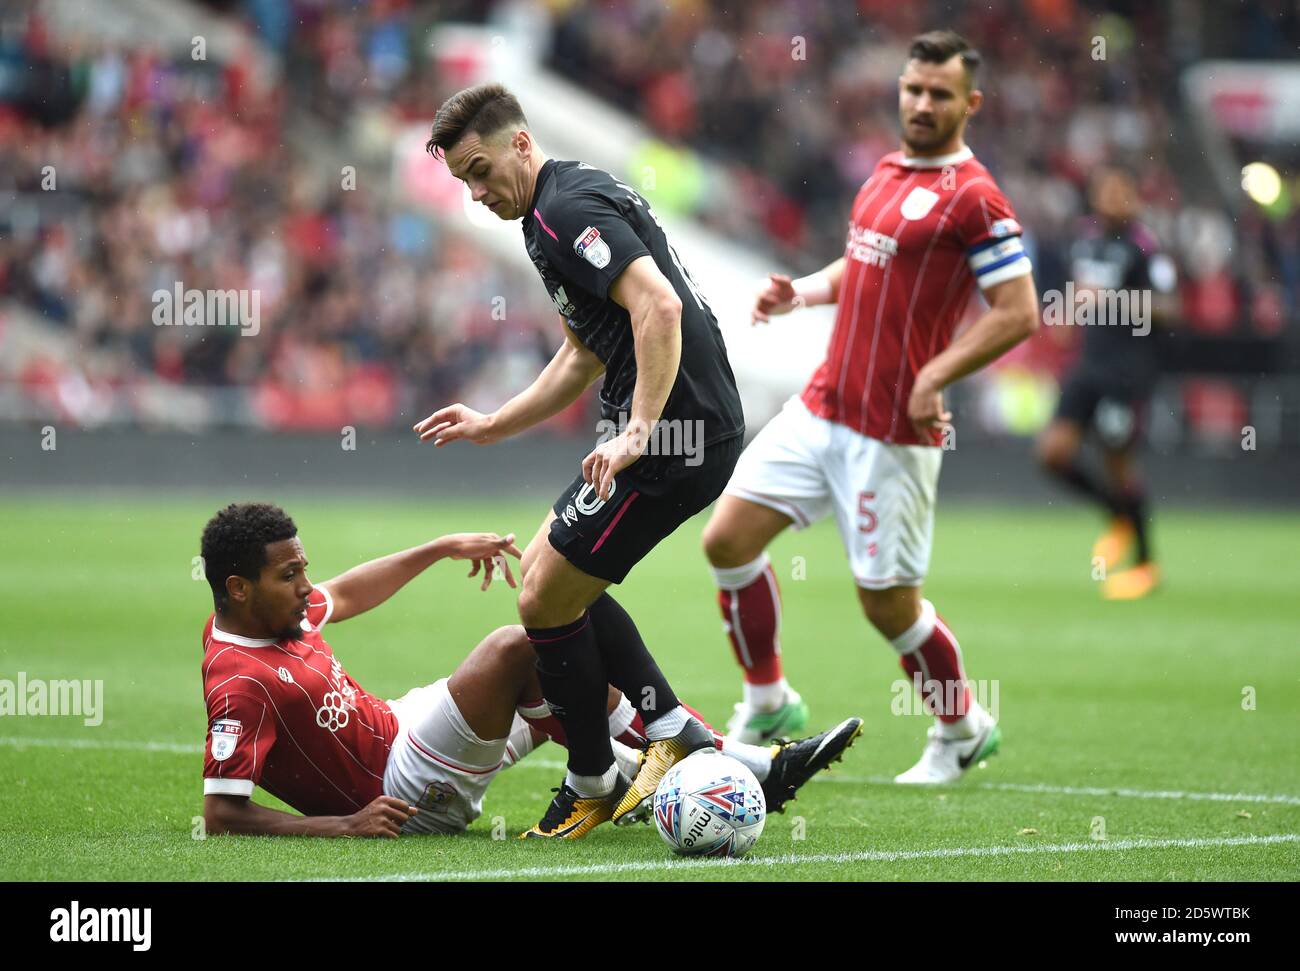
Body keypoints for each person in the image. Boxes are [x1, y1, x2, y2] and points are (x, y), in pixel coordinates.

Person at [699, 31, 1040, 784]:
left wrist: (935, 376)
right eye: (914, 89)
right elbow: (864, 263)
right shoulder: (885, 171)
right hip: (823, 404)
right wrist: (803, 292)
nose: (922, 103)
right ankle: (769, 698)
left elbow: (1018, 311)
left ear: (970, 103)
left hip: (892, 431)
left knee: (887, 604)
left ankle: (962, 725)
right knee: (725, 540)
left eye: (940, 94)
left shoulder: (977, 199)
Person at [416, 82, 755, 837]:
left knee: (543, 600)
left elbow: (658, 307)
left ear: (520, 144)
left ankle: (595, 775)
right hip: (673, 425)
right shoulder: (551, 210)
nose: (475, 193)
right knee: (546, 572)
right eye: (462, 181)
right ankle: (669, 725)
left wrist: (637, 431)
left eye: (479, 169)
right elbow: (584, 350)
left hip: (675, 434)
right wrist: (495, 422)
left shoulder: (562, 211)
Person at [200, 502, 859, 838]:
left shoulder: (278, 612)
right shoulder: (240, 682)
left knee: (570, 658)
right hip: (397, 785)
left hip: (400, 725)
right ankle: (640, 768)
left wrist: (439, 547)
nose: (305, 585)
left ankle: (712, 768)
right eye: (290, 574)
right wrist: (346, 825)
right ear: (238, 587)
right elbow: (223, 814)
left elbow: (346, 593)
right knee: (518, 643)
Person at [1035, 163, 1178, 600]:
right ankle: (1117, 515)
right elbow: (1078, 294)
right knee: (1052, 454)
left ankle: (1146, 565)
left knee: (1117, 463)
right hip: (1088, 365)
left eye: (1121, 189)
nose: (1112, 197)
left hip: (1127, 370)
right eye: (1105, 189)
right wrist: (1068, 313)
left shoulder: (1144, 247)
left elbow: (1170, 309)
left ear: (1134, 195)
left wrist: (1114, 300)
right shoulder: (1085, 240)